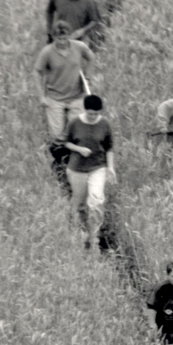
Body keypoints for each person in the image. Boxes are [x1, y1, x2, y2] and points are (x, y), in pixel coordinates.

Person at [60, 93, 115, 250]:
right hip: (77, 168)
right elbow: (65, 143)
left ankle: (94, 238)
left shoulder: (105, 124)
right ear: (85, 110)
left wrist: (111, 168)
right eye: (90, 114)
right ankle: (78, 233)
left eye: (96, 114)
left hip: (98, 167)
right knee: (79, 203)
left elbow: (109, 147)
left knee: (96, 200)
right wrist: (79, 149)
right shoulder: (75, 123)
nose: (93, 117)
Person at [34, 28, 95, 142]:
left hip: (76, 97)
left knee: (77, 134)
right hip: (55, 98)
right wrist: (41, 96)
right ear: (54, 37)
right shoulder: (47, 52)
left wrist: (88, 77)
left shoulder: (79, 46)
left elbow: (91, 57)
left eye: (65, 38)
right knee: (57, 137)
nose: (62, 42)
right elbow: (37, 71)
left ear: (69, 36)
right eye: (59, 39)